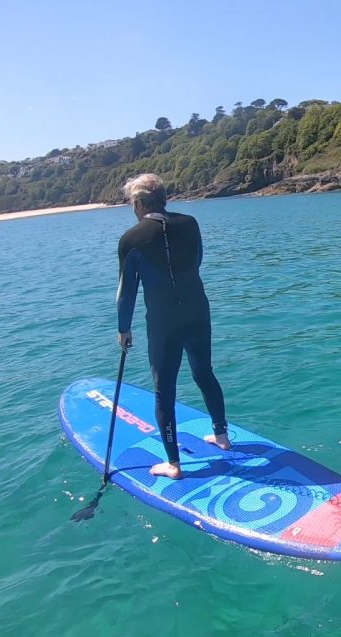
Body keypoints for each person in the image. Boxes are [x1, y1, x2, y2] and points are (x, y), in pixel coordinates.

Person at [116, 173, 230, 479]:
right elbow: (197, 261)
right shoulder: (190, 223)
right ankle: (221, 436)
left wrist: (124, 329)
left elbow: (127, 292)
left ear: (138, 203)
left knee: (164, 391)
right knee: (204, 373)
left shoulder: (131, 240)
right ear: (163, 198)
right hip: (198, 312)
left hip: (164, 323)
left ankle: (174, 464)